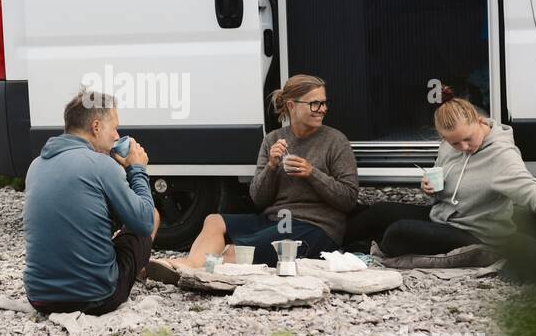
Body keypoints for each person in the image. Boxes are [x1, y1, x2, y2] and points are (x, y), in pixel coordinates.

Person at [345, 88, 536, 256]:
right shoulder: (448, 147)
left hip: (478, 234)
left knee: (399, 232)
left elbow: (531, 189)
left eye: (467, 139)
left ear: (479, 121)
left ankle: (365, 248)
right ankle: (328, 243)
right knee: (381, 211)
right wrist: (430, 190)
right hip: (442, 218)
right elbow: (442, 191)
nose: (463, 147)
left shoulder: (501, 155)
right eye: (454, 143)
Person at [152, 74, 360, 274]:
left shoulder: (335, 142)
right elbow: (259, 199)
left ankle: (179, 267)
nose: (322, 109)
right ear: (291, 106)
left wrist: (312, 173)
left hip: (315, 227)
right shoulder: (273, 139)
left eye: (323, 103)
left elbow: (349, 199)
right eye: (314, 104)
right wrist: (271, 166)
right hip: (276, 220)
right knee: (214, 221)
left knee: (236, 253)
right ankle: (190, 265)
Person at [23, 88, 161, 315]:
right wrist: (137, 170)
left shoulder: (36, 165)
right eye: (114, 128)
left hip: (39, 298)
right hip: (95, 299)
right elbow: (144, 222)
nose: (117, 136)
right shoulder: (101, 165)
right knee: (152, 215)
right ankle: (130, 275)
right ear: (96, 127)